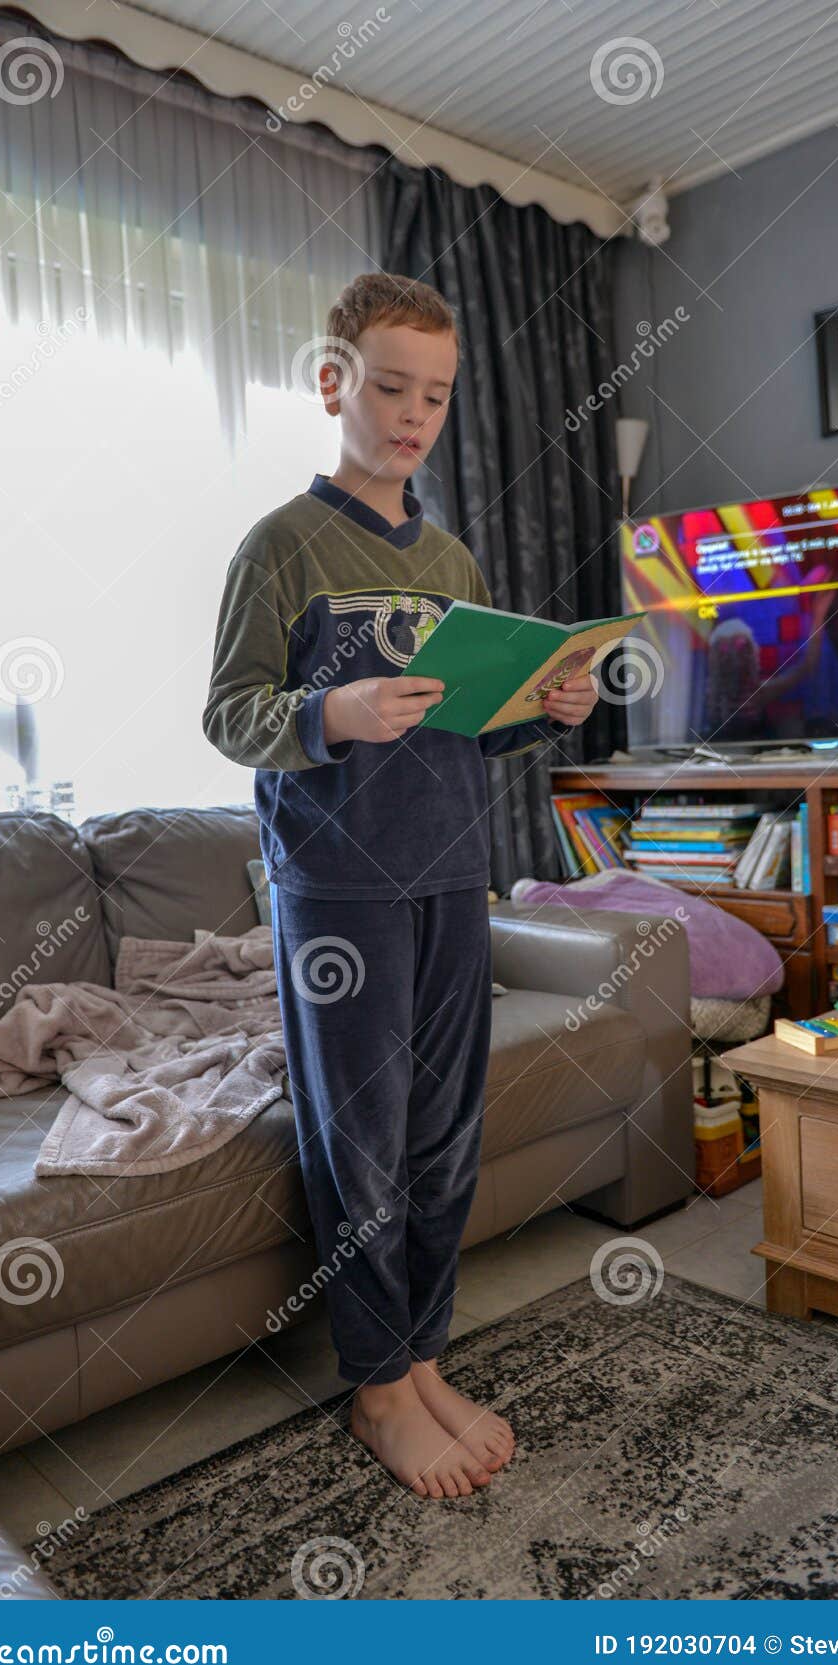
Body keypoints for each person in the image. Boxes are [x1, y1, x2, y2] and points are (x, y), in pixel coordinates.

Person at [203, 272, 598, 1499]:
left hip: (451, 874)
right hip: (338, 892)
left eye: (435, 393)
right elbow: (230, 716)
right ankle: (378, 1391)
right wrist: (337, 709)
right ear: (334, 383)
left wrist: (542, 708)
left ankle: (423, 1354)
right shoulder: (280, 544)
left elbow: (464, 723)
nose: (414, 412)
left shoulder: (448, 550)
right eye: (389, 385)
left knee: (442, 1136)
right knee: (361, 1142)